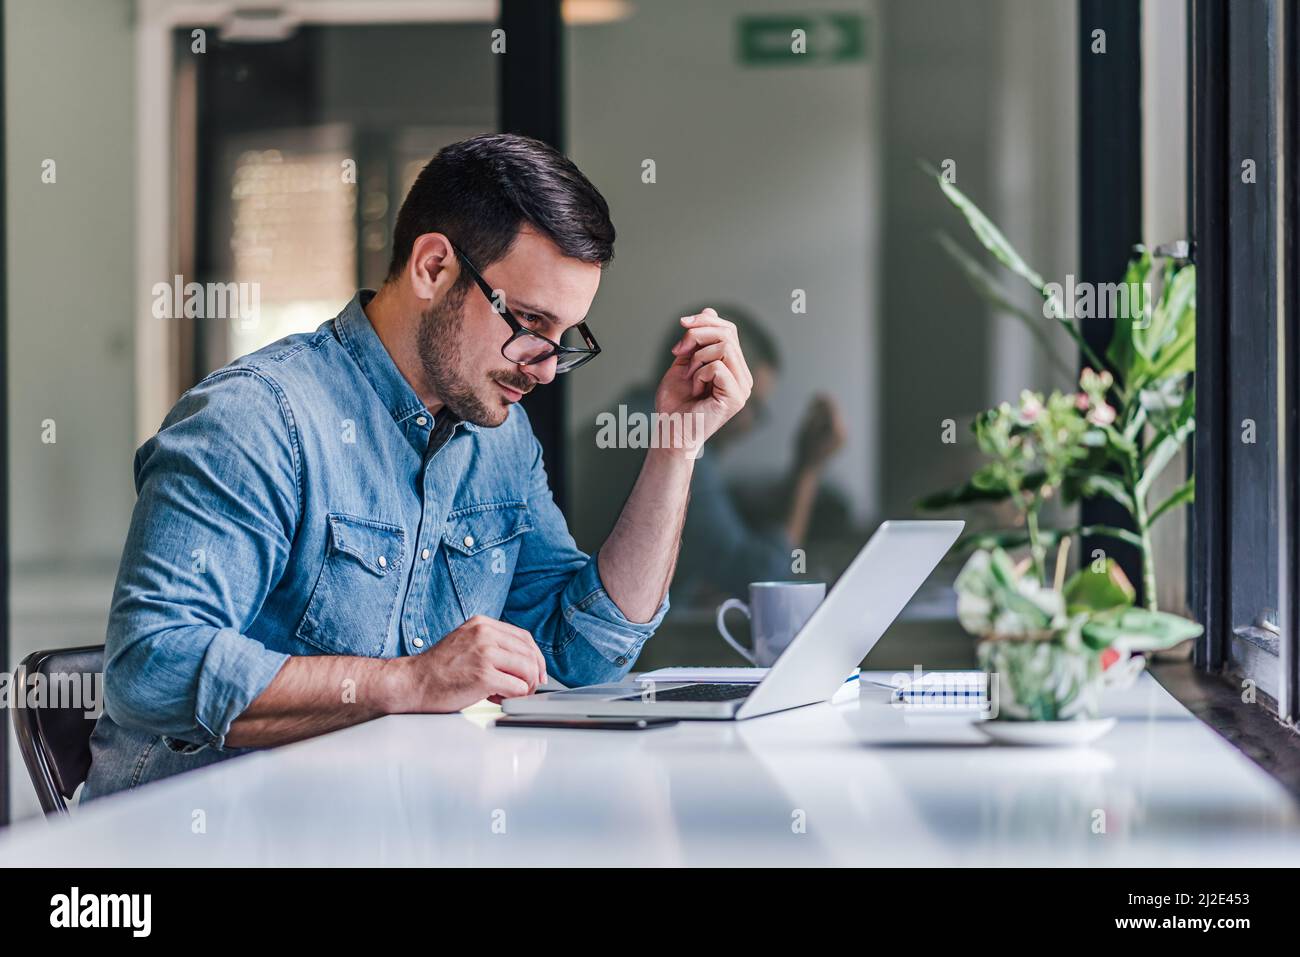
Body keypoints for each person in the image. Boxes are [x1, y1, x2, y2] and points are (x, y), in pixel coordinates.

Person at [83, 133, 754, 798]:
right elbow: (151, 665)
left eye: (564, 337)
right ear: (433, 267)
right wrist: (410, 682)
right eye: (527, 320)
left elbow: (580, 655)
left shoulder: (501, 440)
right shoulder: (257, 418)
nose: (547, 367)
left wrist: (677, 443)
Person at [572, 306, 846, 608]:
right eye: (752, 406)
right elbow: (759, 578)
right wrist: (808, 470)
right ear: (710, 379)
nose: (751, 426)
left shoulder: (621, 420)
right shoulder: (670, 440)